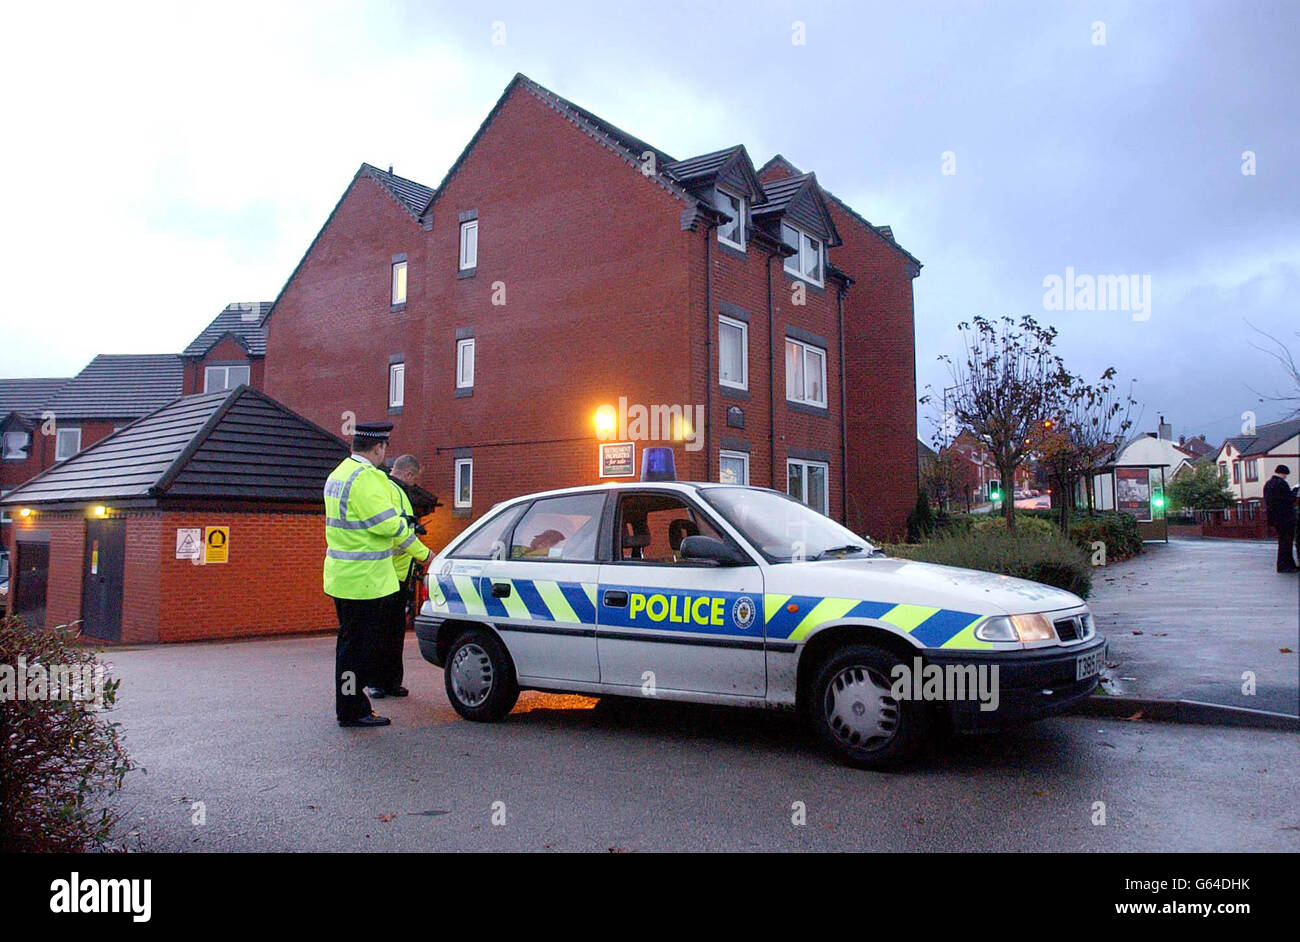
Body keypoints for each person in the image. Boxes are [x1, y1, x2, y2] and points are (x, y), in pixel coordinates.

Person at [324, 423, 431, 727]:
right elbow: (390, 526)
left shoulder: (339, 473)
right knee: (358, 651)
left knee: (348, 647)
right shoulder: (367, 478)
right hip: (366, 580)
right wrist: (425, 554)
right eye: (384, 449)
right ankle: (352, 709)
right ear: (378, 448)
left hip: (342, 575)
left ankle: (349, 705)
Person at [370, 454, 427, 700]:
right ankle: (377, 682)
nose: (415, 484)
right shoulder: (392, 490)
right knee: (383, 632)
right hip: (387, 573)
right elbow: (395, 530)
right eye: (414, 478)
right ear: (408, 474)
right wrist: (423, 552)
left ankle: (391, 682)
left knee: (393, 632)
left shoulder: (394, 490)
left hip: (396, 573)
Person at [1263, 464, 1298, 573]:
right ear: (1283, 473)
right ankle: (1285, 565)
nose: (1286, 476)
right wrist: (1295, 491)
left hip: (1274, 517)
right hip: (1285, 517)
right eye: (1285, 474)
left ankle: (1288, 564)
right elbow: (1289, 499)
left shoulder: (1268, 484)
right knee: (1287, 542)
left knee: (1282, 541)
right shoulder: (1282, 484)